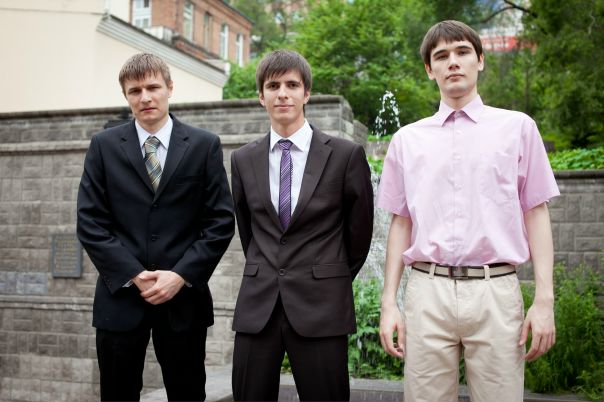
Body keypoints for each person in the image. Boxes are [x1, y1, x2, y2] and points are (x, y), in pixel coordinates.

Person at [377, 20, 559, 402]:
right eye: (441, 56)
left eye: (462, 52)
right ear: (430, 69)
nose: (453, 62)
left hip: (496, 290)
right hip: (427, 291)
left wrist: (545, 300)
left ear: (480, 60)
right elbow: (400, 223)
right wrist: (388, 302)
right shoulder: (407, 140)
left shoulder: (518, 128)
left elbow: (536, 213)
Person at [76, 53, 235, 402]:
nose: (145, 97)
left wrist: (180, 275)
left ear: (169, 88)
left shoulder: (204, 145)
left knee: (187, 394)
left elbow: (220, 222)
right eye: (135, 91)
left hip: (184, 302)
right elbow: (90, 222)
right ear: (126, 96)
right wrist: (134, 274)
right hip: (120, 299)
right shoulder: (103, 146)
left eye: (152, 87)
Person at [230, 49, 374, 402]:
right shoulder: (243, 159)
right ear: (261, 96)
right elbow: (249, 232)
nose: (283, 93)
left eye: (292, 85)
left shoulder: (345, 155)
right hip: (258, 307)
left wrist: (326, 275)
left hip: (321, 306)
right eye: (273, 86)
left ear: (306, 93)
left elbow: (359, 235)